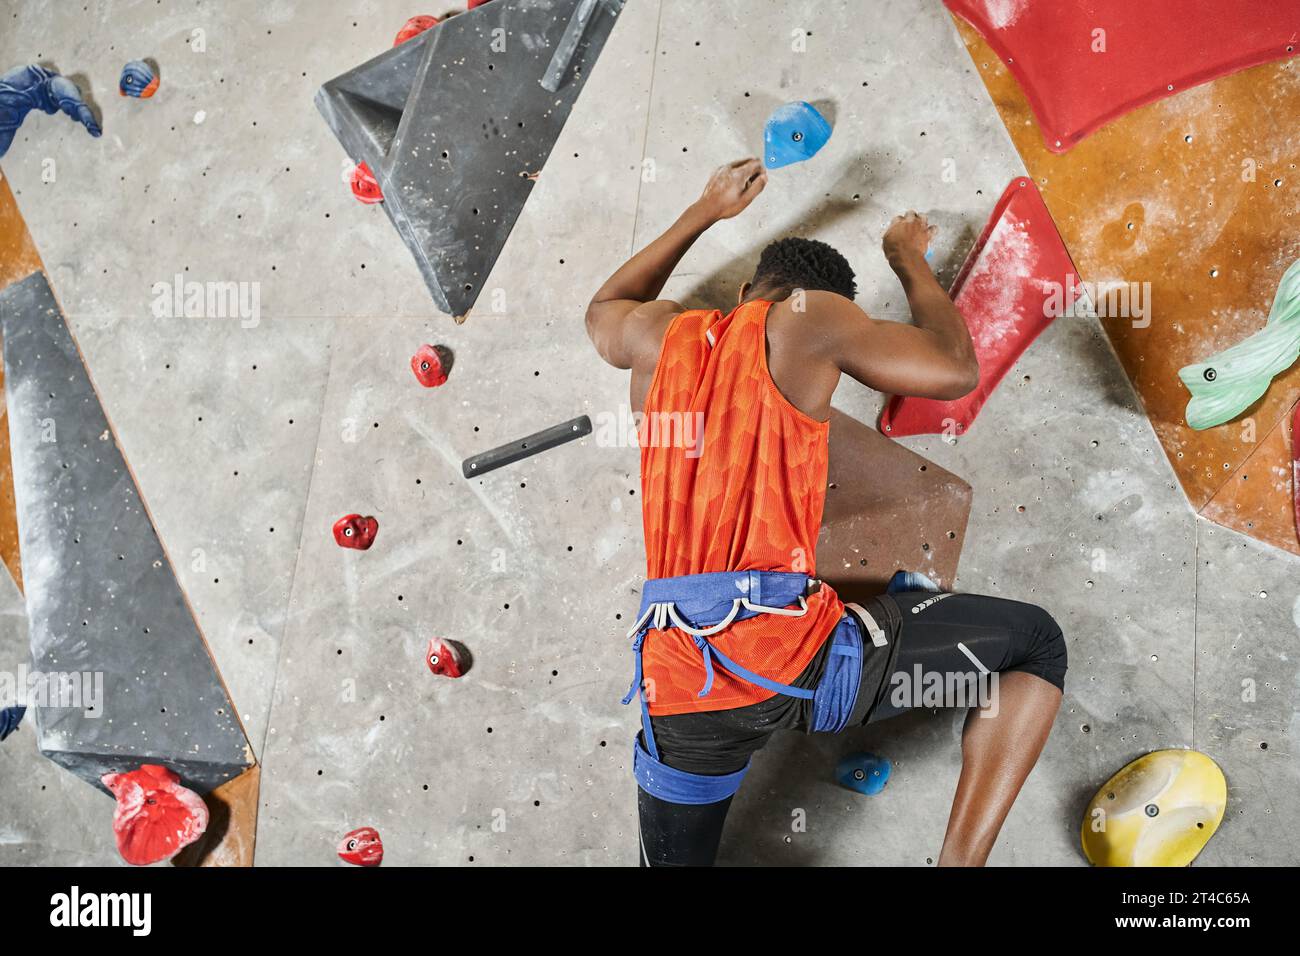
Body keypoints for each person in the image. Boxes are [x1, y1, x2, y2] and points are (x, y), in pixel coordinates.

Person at [585, 158, 1066, 867]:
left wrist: (705, 209)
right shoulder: (815, 319)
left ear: (747, 289)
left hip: (683, 684)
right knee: (1037, 644)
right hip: (805, 665)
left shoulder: (656, 337)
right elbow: (953, 368)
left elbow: (602, 311)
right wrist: (908, 263)